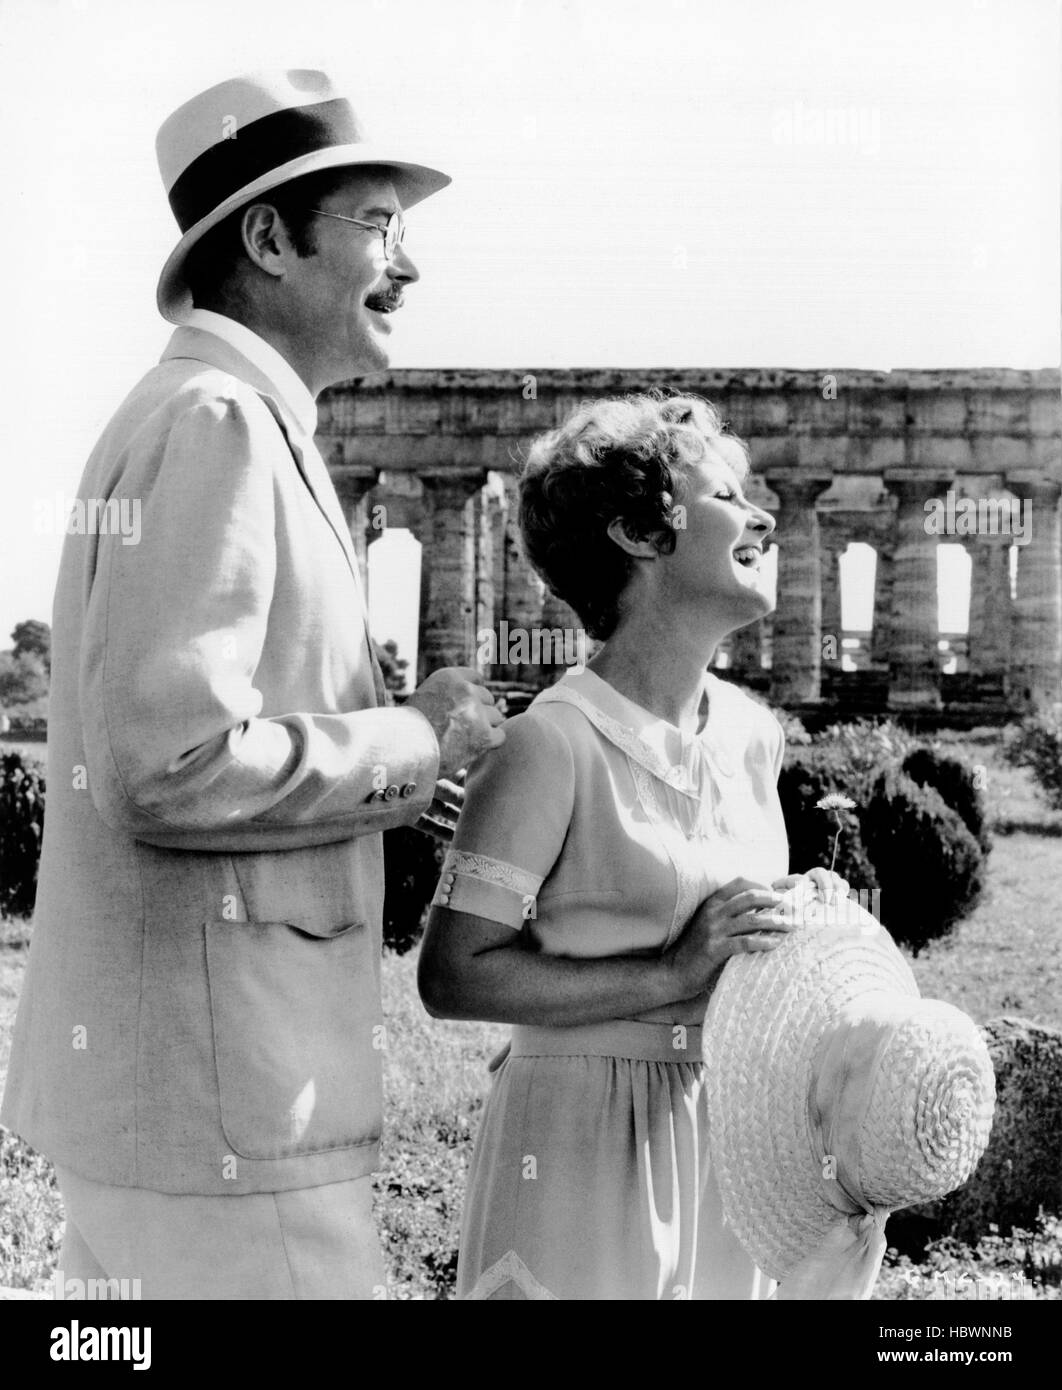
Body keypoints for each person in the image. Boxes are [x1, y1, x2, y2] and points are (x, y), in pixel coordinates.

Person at [0, 69, 503, 1300]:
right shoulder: (221, 423)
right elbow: (168, 763)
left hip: (181, 1107)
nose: (409, 265)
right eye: (379, 225)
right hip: (234, 1114)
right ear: (271, 239)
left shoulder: (205, 415)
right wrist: (418, 741)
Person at [418, 391, 846, 1300]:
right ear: (641, 536)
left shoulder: (753, 736)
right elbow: (453, 975)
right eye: (727, 494)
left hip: (726, 1139)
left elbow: (739, 954)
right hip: (579, 1144)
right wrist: (667, 974)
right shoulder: (550, 744)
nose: (763, 514)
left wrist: (807, 935)